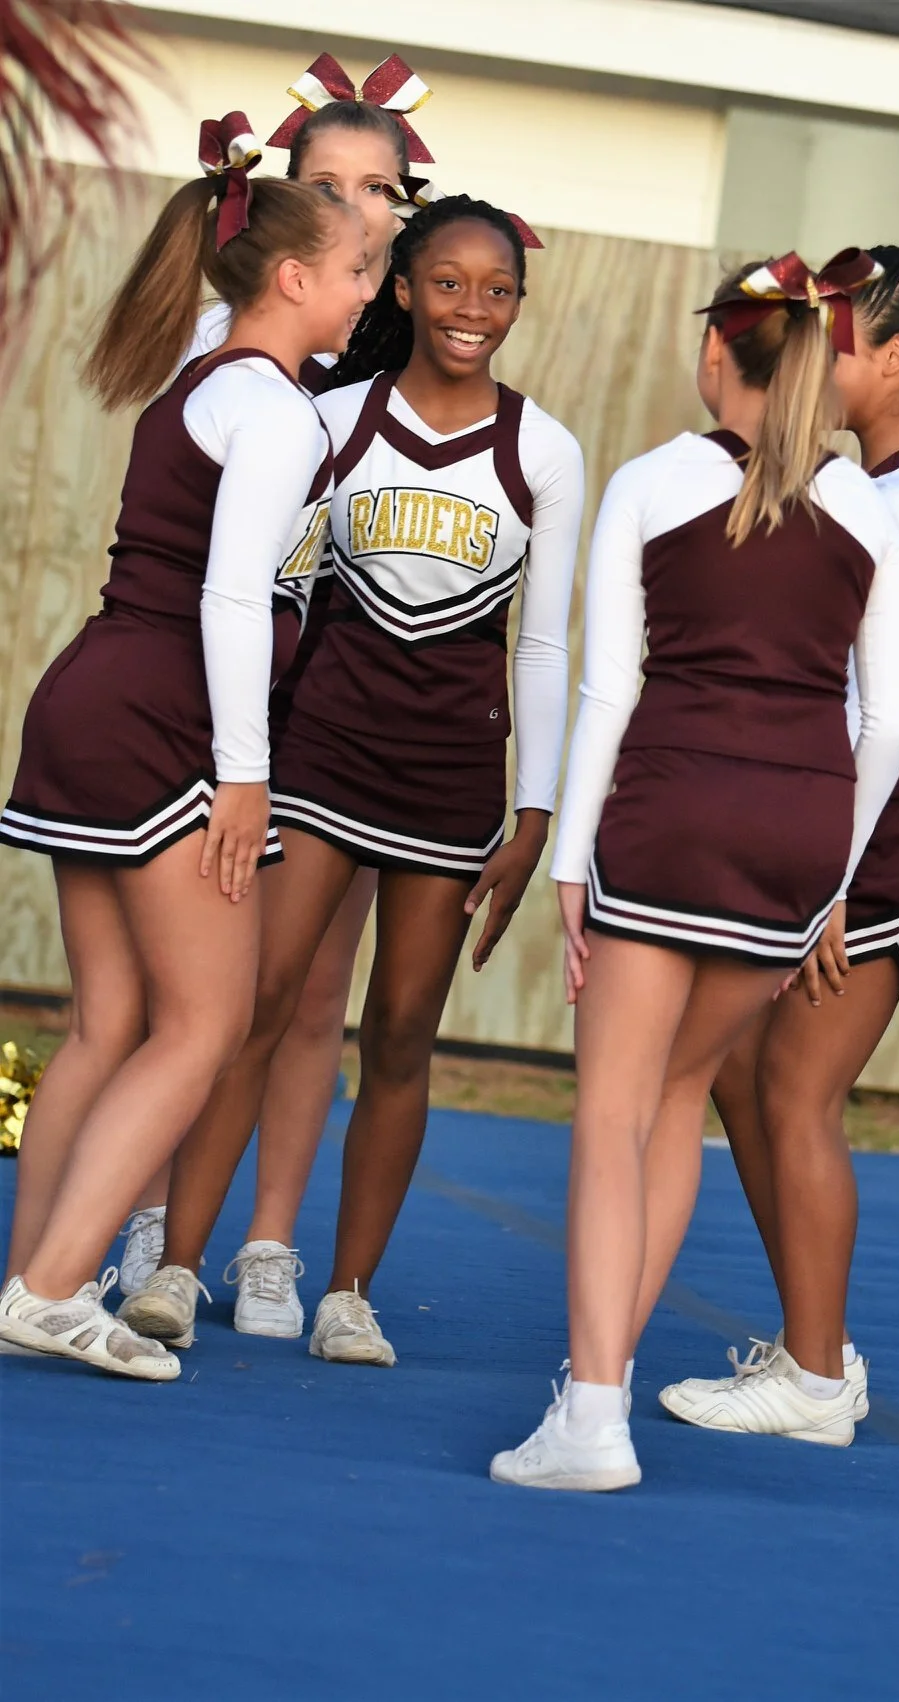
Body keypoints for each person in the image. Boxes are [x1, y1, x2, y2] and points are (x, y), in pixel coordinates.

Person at [120, 195, 583, 1366]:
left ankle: (350, 1292)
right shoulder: (327, 417)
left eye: (498, 289)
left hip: (450, 774)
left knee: (401, 1030)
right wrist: (245, 758)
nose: (473, 308)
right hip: (320, 750)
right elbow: (267, 590)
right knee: (260, 1007)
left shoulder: (545, 449)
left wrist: (534, 814)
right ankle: (178, 1260)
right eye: (447, 283)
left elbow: (540, 643)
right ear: (400, 290)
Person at [490, 250, 899, 1491]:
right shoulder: (867, 511)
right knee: (680, 1099)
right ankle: (598, 1385)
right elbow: (882, 722)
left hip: (670, 810)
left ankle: (592, 1417)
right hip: (792, 836)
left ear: (713, 355)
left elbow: (605, 684)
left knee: (616, 1114)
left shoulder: (651, 480)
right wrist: (833, 873)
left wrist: (571, 857)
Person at [0, 116, 371, 1378]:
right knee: (203, 1024)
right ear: (293, 279)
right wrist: (246, 775)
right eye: (361, 270)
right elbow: (229, 599)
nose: (369, 291)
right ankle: (54, 1285)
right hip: (164, 717)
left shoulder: (201, 383)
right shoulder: (274, 411)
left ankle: (29, 1277)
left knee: (110, 1021)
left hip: (93, 698)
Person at [655, 244, 899, 1441]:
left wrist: (828, 880)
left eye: (840, 336)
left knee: (794, 1088)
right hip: (847, 812)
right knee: (734, 1069)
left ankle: (815, 1379)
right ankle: (811, 1344)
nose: (815, 356)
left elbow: (880, 702)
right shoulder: (877, 481)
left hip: (885, 822)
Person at [118, 55, 431, 1335]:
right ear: (283, 211)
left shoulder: (405, 347)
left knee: (308, 989)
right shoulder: (231, 349)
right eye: (329, 185)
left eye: (381, 189)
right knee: (186, 984)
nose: (358, 209)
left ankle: (267, 1242)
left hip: (338, 684)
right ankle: (145, 1218)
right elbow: (190, 545)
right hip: (223, 681)